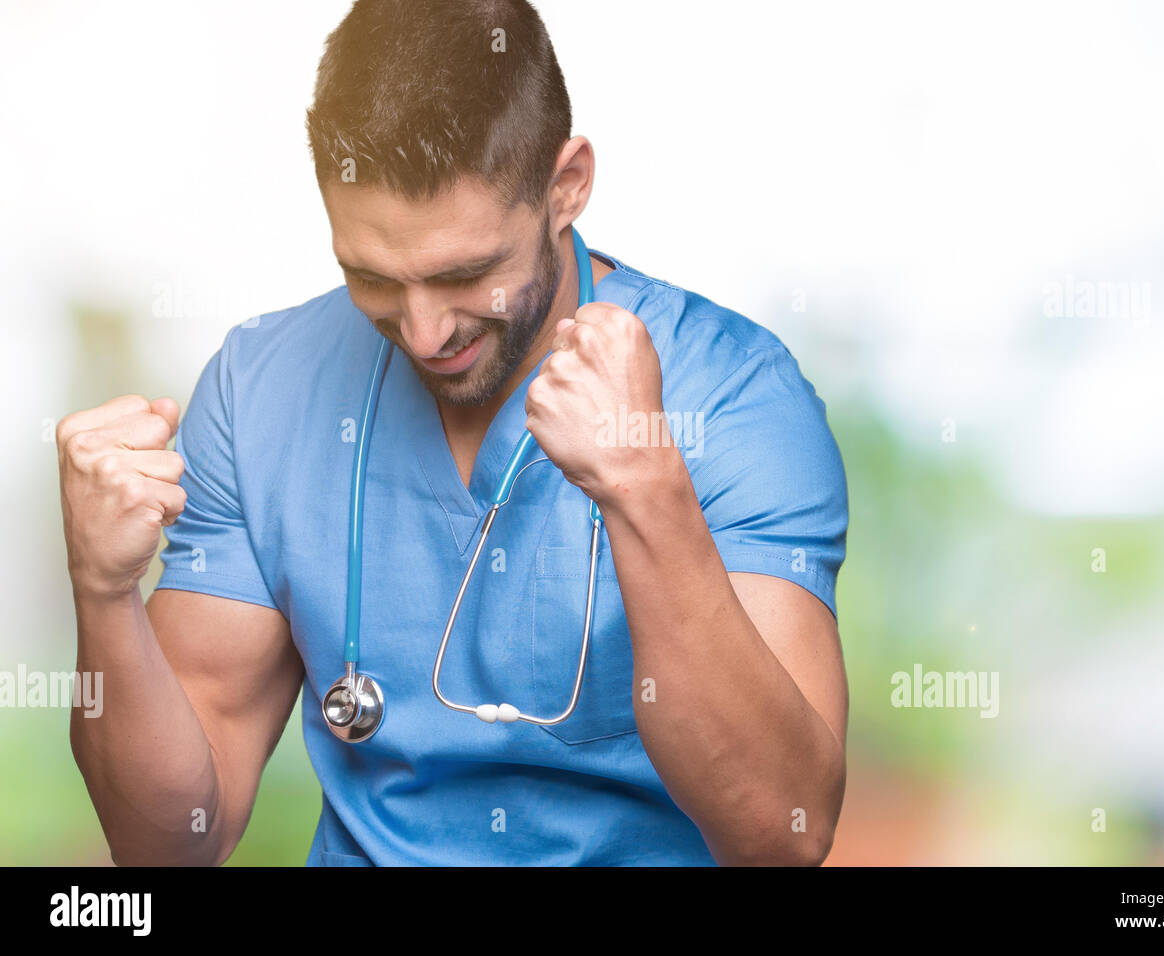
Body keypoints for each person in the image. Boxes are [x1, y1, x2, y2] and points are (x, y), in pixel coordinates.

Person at [57, 0, 849, 866]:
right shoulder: (261, 388)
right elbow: (167, 846)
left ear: (566, 186)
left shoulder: (735, 395)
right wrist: (102, 593)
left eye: (466, 274)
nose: (426, 332)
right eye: (372, 278)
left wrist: (646, 489)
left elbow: (784, 835)